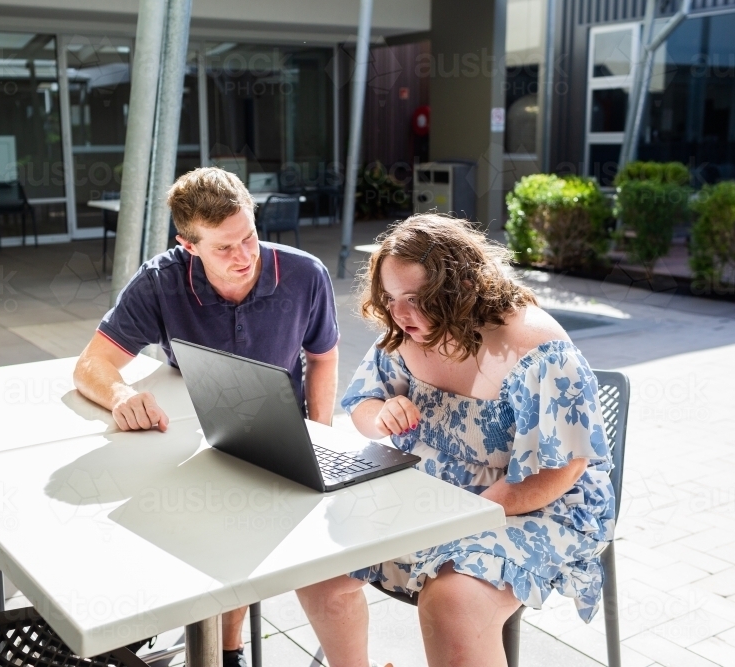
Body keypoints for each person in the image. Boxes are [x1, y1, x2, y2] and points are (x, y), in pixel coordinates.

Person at [295, 214, 614, 667]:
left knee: (452, 603)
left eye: (416, 299)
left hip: (536, 503)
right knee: (315, 562)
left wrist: (461, 517)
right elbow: (363, 403)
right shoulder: (406, 331)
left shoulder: (535, 347)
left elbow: (563, 468)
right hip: (434, 493)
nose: (400, 314)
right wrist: (381, 414)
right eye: (390, 299)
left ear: (462, 287)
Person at [73, 167, 340, 667]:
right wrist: (121, 394)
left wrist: (319, 437)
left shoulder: (305, 274)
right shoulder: (161, 280)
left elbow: (322, 358)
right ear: (189, 246)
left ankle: (226, 651)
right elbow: (91, 364)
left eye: (249, 237)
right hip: (184, 434)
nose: (244, 256)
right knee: (128, 515)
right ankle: (149, 625)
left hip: (269, 440)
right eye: (224, 248)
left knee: (238, 523)